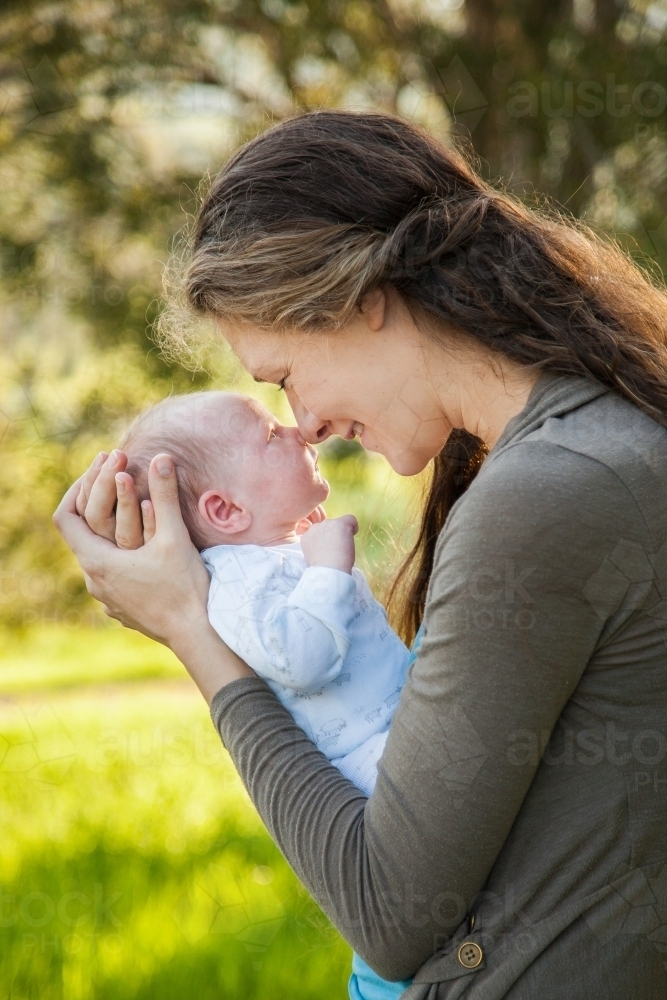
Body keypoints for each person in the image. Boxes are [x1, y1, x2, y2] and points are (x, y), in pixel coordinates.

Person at [54, 111, 667, 999]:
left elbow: (386, 916)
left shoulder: (546, 494)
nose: (304, 426)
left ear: (362, 301)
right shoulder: (595, 441)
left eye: (283, 380)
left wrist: (192, 629)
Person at [119, 389, 411, 797]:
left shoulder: (271, 558)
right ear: (227, 511)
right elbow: (303, 662)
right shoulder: (233, 582)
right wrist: (327, 569)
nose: (300, 432)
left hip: (400, 723)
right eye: (272, 435)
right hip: (370, 759)